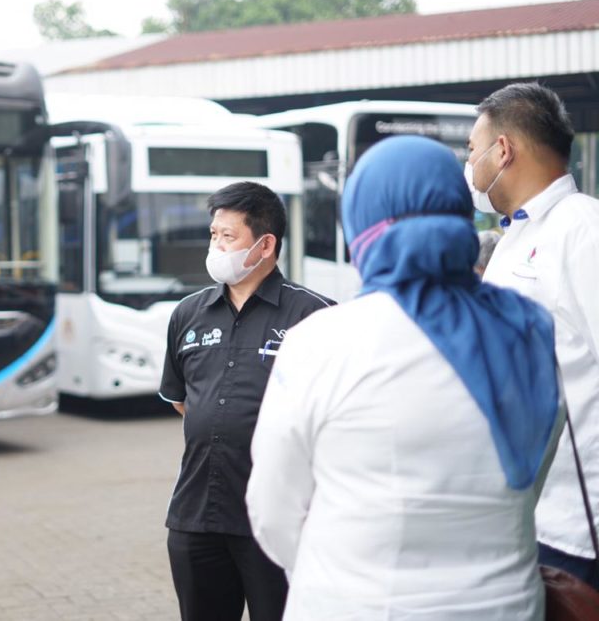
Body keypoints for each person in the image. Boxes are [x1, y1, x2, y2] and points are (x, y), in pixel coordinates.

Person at [247, 135, 563, 620]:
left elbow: (273, 511)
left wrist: (332, 570)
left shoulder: (321, 341)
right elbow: (528, 483)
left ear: (362, 224)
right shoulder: (529, 331)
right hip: (506, 606)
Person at [158, 181, 333, 621]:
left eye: (228, 236)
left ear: (265, 243)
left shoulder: (315, 316)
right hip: (196, 517)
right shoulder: (188, 315)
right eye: (213, 235)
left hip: (279, 520)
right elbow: (184, 403)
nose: (216, 245)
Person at [470, 82, 599, 586]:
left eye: (472, 150)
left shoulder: (583, 230)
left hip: (577, 528)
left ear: (503, 150)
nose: (471, 166)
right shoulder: (515, 236)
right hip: (526, 516)